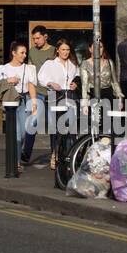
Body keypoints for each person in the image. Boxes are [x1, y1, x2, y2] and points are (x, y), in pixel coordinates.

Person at [0, 40, 39, 169]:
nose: (24, 55)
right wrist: (9, 80)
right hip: (11, 102)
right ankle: (16, 162)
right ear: (14, 53)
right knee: (17, 133)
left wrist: (34, 103)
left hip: (24, 100)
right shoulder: (3, 69)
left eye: (25, 53)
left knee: (25, 132)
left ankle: (17, 157)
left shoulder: (29, 68)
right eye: (21, 52)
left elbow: (31, 85)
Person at [38, 39, 79, 169]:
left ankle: (68, 156)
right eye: (63, 50)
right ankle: (54, 155)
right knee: (55, 128)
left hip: (69, 96)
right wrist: (50, 83)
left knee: (70, 127)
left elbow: (78, 76)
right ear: (57, 50)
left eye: (67, 50)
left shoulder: (73, 64)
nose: (65, 52)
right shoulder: (50, 63)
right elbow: (40, 77)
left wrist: (76, 83)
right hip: (54, 95)